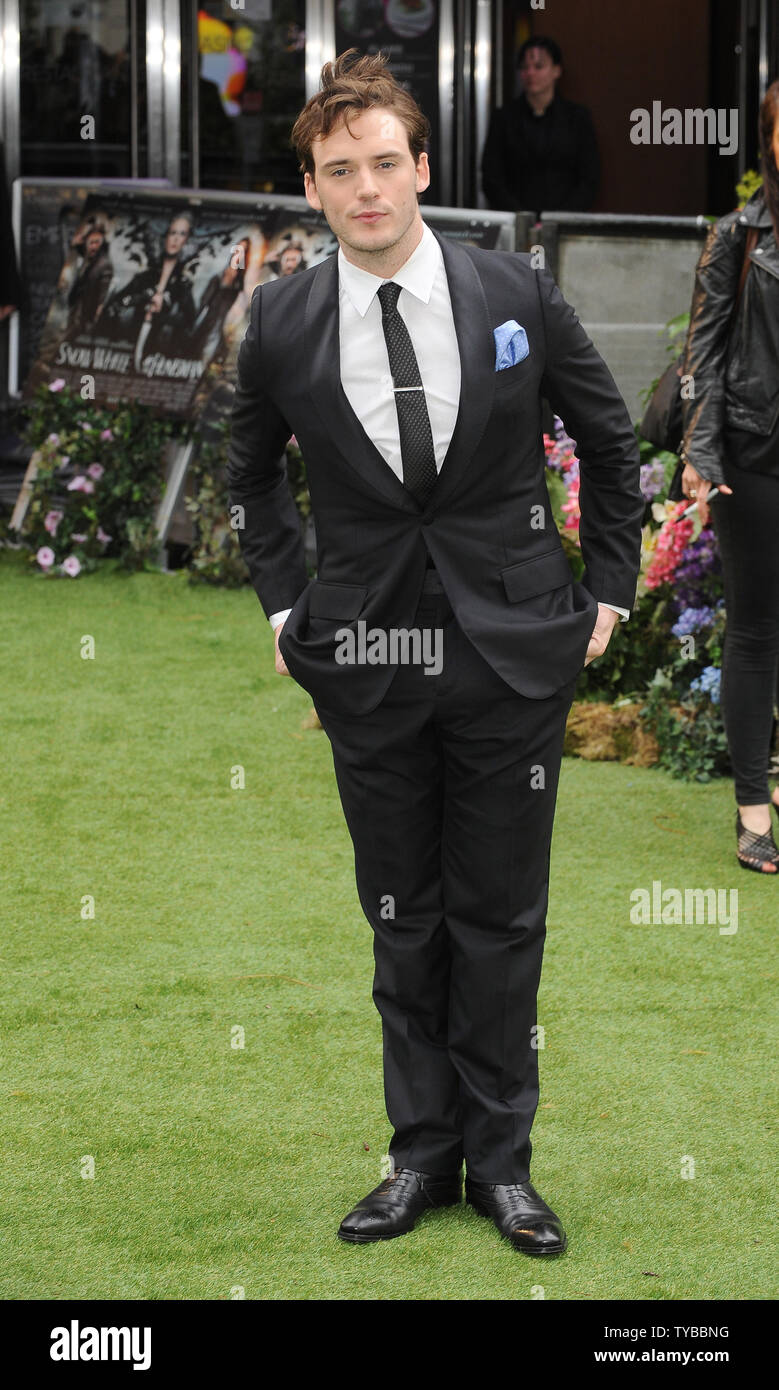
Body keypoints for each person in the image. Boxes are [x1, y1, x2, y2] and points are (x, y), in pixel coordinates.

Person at [227, 48, 643, 1256]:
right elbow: (252, 483)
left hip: (512, 650)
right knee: (402, 917)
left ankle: (502, 1166)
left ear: (421, 167)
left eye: (384, 163)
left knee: (501, 919)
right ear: (310, 186)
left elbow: (608, 443)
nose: (367, 188)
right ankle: (417, 1156)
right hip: (365, 657)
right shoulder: (285, 324)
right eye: (339, 170)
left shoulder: (512, 293)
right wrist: (283, 610)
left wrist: (606, 590)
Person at [681, 80, 779, 874]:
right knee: (753, 630)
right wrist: (701, 456)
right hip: (754, 459)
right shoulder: (736, 237)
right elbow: (703, 358)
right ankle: (752, 811)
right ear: (768, 141)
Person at [481, 36, 599, 216]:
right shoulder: (504, 117)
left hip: (565, 222)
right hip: (516, 220)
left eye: (538, 66)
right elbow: (491, 177)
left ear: (556, 70)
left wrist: (559, 218)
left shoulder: (577, 118)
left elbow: (589, 179)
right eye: (524, 67)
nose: (530, 73)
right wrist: (521, 215)